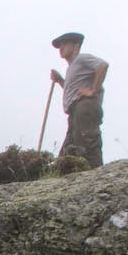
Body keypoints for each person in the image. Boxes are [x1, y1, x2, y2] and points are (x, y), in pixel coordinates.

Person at [49, 32, 109, 167]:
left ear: (76, 45)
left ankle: (94, 173)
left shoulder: (81, 59)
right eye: (59, 45)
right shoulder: (72, 67)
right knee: (69, 149)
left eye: (64, 43)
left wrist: (93, 90)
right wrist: (60, 81)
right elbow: (73, 92)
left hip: (85, 106)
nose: (61, 47)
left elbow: (103, 65)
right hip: (76, 110)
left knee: (86, 143)